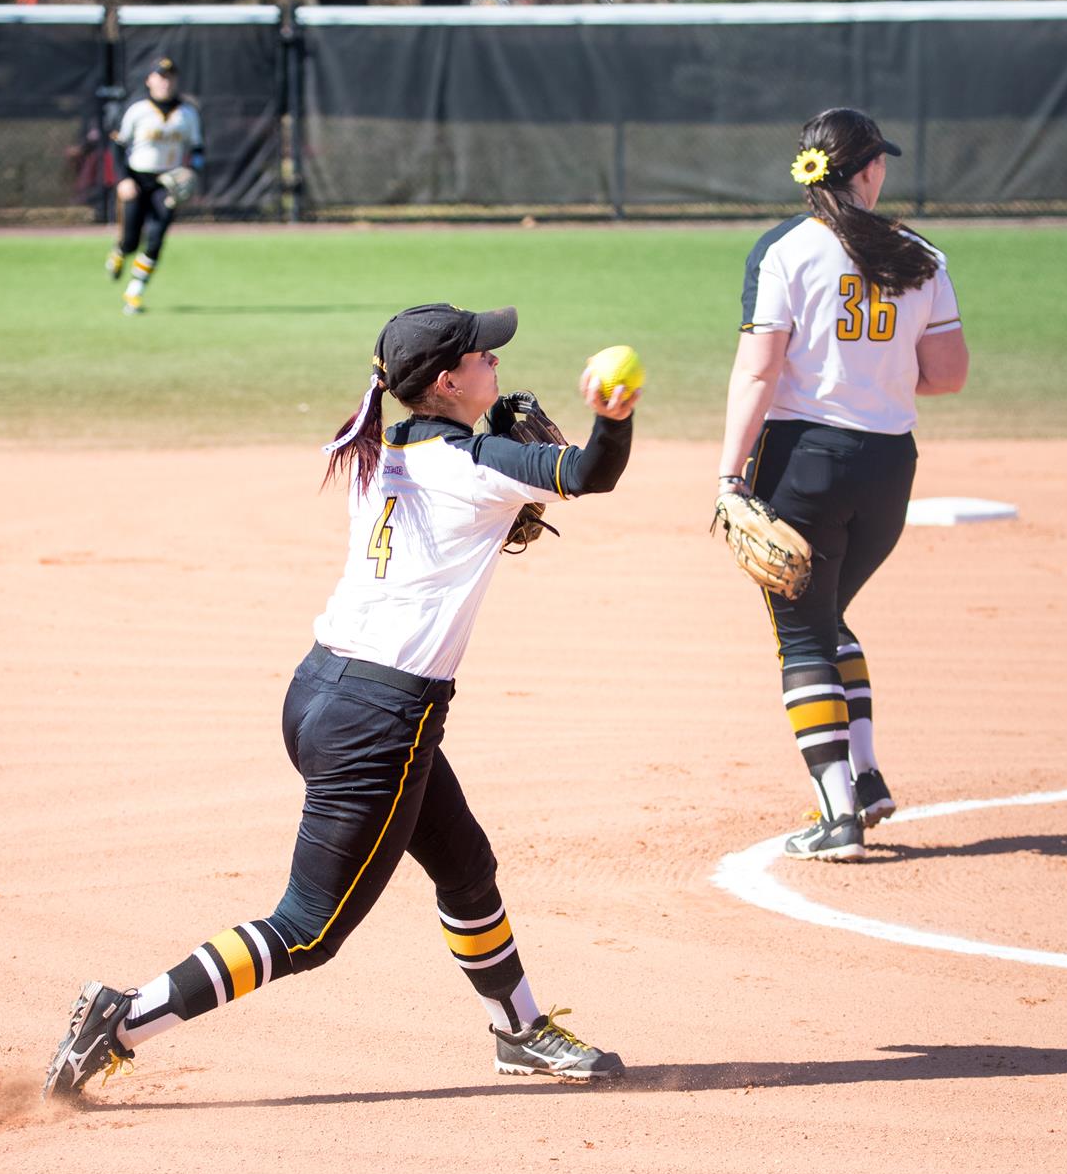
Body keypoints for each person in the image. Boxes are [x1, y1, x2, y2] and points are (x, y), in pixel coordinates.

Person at [44, 303, 640, 1097]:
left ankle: (520, 1031)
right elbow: (590, 473)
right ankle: (122, 1020)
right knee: (307, 928)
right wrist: (613, 418)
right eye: (483, 356)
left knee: (465, 866)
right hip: (380, 723)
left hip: (320, 692)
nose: (497, 363)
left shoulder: (385, 446)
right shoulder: (478, 465)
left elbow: (460, 485)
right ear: (446, 380)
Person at [714, 107, 970, 863]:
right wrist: (875, 369)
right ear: (869, 171)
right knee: (827, 619)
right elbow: (947, 376)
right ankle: (865, 779)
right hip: (890, 467)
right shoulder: (919, 255)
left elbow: (759, 371)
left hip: (803, 463)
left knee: (801, 636)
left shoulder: (785, 250)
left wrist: (730, 475)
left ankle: (837, 818)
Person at [103, 56, 203, 316]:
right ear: (149, 80)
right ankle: (120, 251)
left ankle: (134, 291)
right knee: (131, 240)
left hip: (167, 183)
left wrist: (192, 172)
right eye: (160, 77)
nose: (165, 82)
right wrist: (123, 179)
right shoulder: (138, 110)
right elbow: (118, 145)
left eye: (170, 77)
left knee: (156, 238)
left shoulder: (187, 113)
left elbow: (197, 149)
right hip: (137, 179)